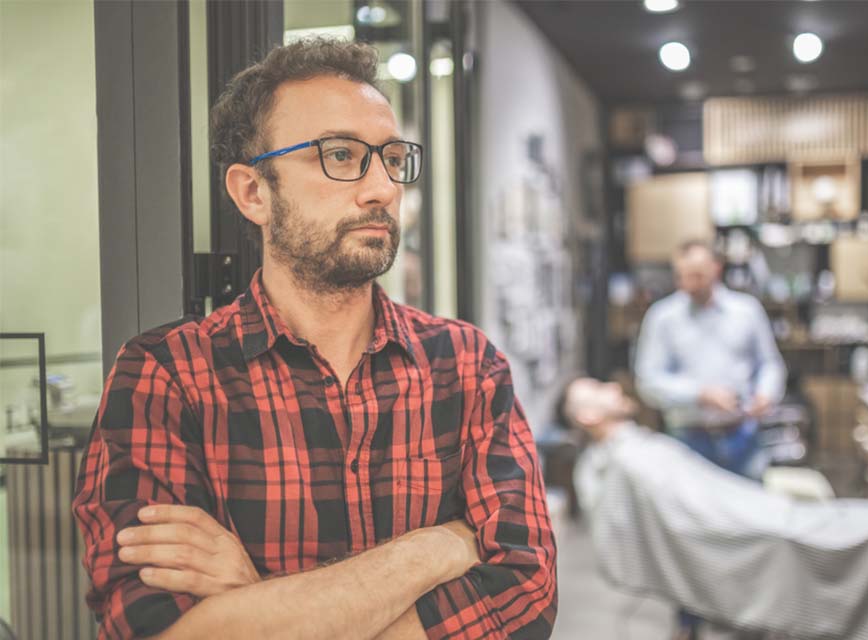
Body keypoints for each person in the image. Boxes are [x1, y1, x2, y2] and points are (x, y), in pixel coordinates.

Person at [72, 39, 556, 640]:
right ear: (253, 193)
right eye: (340, 155)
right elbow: (151, 629)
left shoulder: (465, 365)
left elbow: (525, 601)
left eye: (392, 158)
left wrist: (257, 602)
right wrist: (437, 548)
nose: (383, 188)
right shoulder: (167, 375)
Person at [557, 377, 868, 640]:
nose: (613, 387)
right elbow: (689, 521)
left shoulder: (634, 449)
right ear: (588, 416)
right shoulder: (628, 461)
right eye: (599, 389)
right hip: (737, 524)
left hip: (742, 508)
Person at [634, 240, 787, 479]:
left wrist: (765, 394)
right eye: (683, 276)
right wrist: (700, 394)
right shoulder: (663, 317)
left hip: (742, 437)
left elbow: (770, 364)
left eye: (697, 275)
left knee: (749, 500)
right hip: (688, 439)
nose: (689, 284)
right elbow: (648, 381)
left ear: (716, 268)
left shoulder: (747, 311)